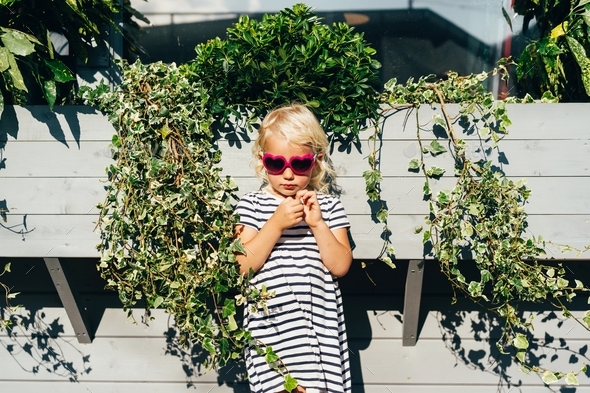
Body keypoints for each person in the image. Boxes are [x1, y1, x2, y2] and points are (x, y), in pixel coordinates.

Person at [234, 104, 353, 393]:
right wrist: (274, 225)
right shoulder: (251, 206)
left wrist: (318, 225)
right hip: (270, 331)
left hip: (319, 335)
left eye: (299, 164)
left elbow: (340, 266)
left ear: (316, 160)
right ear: (263, 162)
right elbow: (242, 267)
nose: (288, 174)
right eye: (277, 163)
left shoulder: (328, 207)